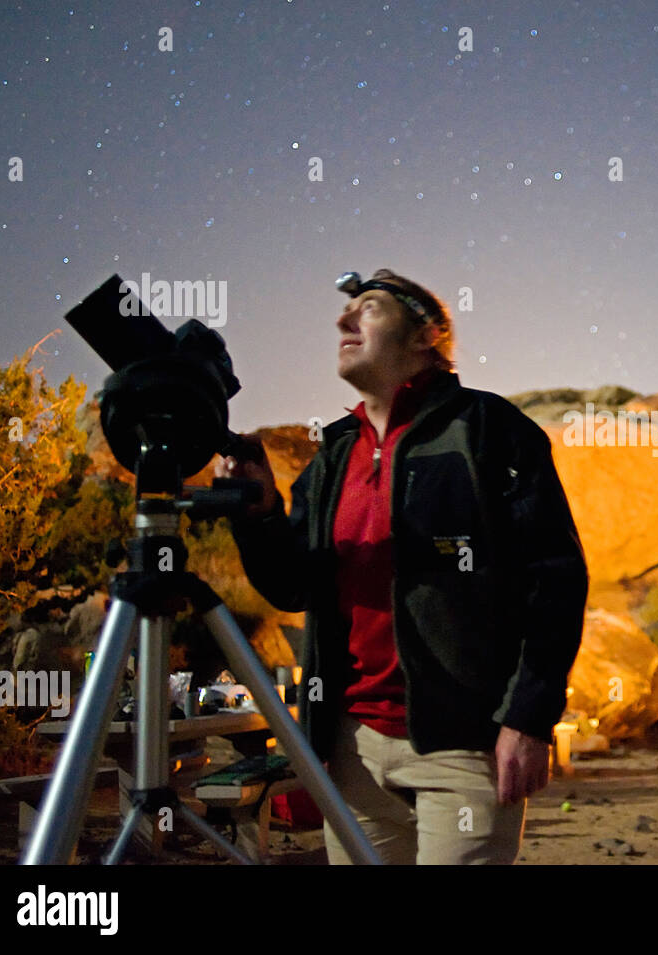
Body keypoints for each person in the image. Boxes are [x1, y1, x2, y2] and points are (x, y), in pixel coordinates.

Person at [215, 268, 589, 864]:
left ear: (427, 334)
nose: (344, 321)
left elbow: (557, 580)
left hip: (465, 749)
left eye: (368, 307)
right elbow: (295, 587)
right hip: (351, 748)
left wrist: (529, 720)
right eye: (345, 311)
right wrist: (260, 517)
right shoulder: (336, 453)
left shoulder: (490, 431)